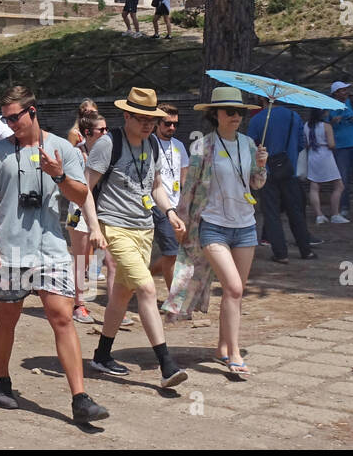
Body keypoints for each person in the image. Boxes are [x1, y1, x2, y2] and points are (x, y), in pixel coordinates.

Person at [0, 85, 110, 424]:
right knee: (7, 317)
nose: (10, 125)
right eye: (5, 119)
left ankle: (80, 398)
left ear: (32, 112)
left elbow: (81, 195)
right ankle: (1, 379)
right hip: (11, 250)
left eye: (15, 117)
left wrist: (58, 174)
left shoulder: (62, 148)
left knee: (62, 318)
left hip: (51, 248)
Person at [84, 87, 189, 388]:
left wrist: (169, 211)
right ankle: (166, 365)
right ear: (127, 115)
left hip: (144, 227)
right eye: (142, 118)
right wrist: (93, 226)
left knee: (122, 292)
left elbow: (155, 186)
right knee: (145, 288)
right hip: (115, 227)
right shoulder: (108, 144)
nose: (148, 124)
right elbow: (85, 189)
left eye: (152, 119)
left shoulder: (152, 144)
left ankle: (101, 355)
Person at [162, 87, 268, 377]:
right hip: (213, 225)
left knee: (235, 293)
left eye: (240, 112)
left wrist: (262, 166)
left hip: (245, 225)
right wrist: (180, 222)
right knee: (233, 287)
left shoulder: (248, 144)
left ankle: (223, 347)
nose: (236, 116)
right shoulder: (202, 146)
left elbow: (256, 184)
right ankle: (235, 354)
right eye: (230, 111)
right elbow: (191, 188)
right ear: (216, 114)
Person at [245, 99, 317, 260]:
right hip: (289, 171)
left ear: (263, 99)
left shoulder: (258, 119)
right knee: (296, 212)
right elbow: (301, 143)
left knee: (271, 214)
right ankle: (306, 250)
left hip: (267, 173)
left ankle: (280, 253)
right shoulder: (294, 116)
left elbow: (249, 145)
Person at [67, 110, 107, 324]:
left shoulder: (107, 150)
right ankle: (78, 304)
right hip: (78, 209)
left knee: (109, 258)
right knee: (81, 257)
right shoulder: (75, 153)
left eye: (107, 129)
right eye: (101, 130)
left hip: (103, 209)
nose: (106, 133)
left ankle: (115, 307)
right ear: (87, 133)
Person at [149, 104, 191, 284]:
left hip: (175, 204)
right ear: (157, 123)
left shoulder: (179, 145)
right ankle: (175, 302)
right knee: (172, 253)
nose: (172, 127)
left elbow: (184, 176)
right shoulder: (148, 143)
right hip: (155, 204)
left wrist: (186, 204)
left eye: (175, 124)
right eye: (167, 123)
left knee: (174, 252)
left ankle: (143, 277)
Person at [327, 82, 353, 221]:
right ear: (335, 93)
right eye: (342, 90)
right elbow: (325, 126)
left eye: (346, 90)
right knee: (342, 180)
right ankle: (344, 208)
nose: (345, 92)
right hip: (340, 146)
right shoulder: (329, 106)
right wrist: (333, 122)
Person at [303, 109, 345, 225]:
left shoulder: (306, 125)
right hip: (325, 155)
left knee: (314, 186)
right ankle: (335, 214)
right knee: (339, 185)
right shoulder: (326, 126)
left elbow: (305, 143)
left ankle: (319, 215)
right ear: (322, 113)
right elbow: (331, 144)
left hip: (312, 155)